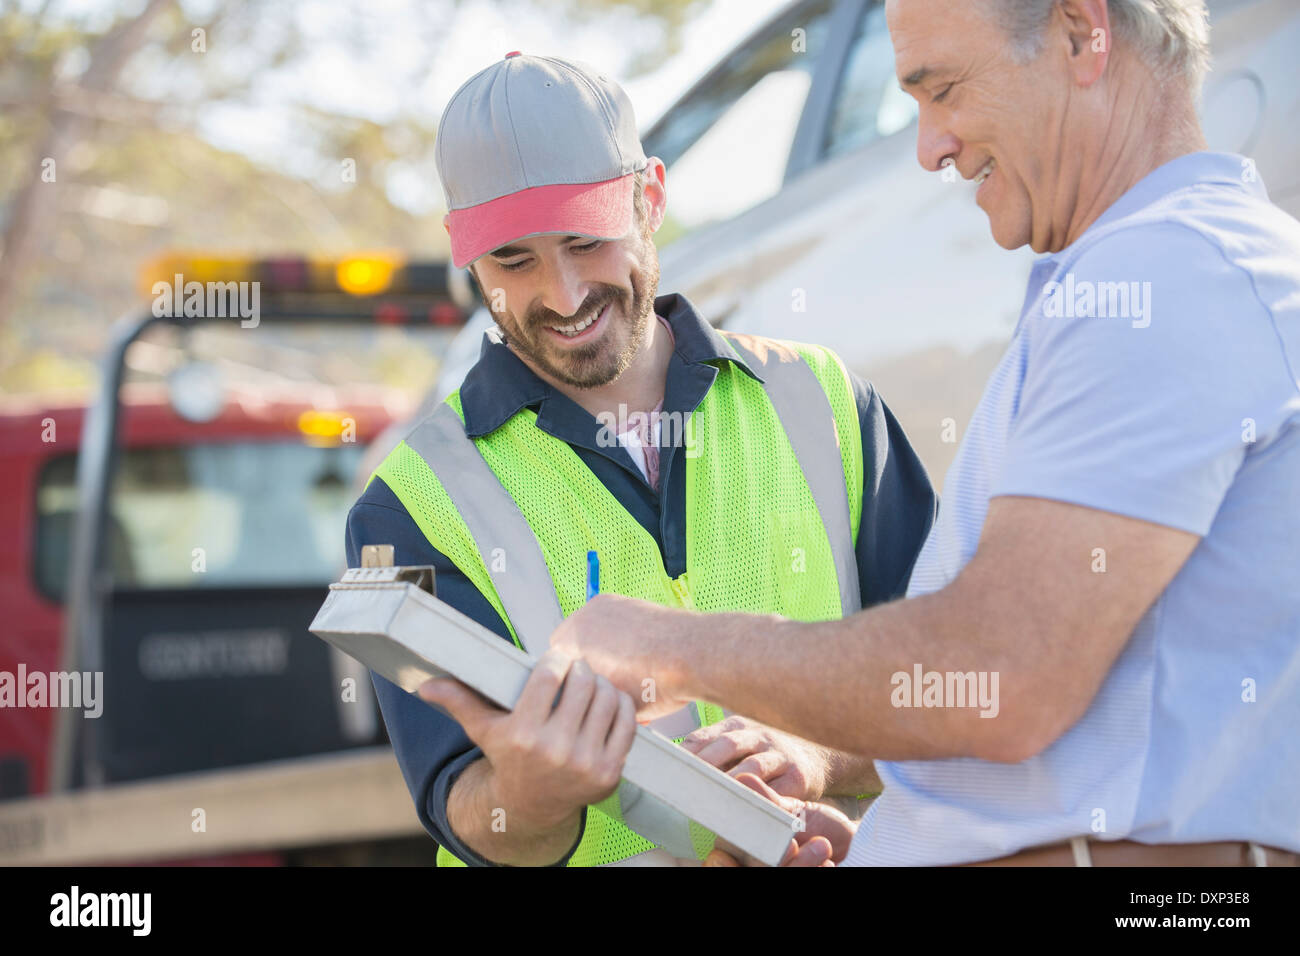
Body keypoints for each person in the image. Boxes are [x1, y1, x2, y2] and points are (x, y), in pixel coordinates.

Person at [551, 0, 1300, 867]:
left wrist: (671, 647)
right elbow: (1096, 690)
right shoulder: (1182, 270)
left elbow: (1004, 673)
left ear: (1080, 34)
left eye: (942, 90)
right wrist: (877, 828)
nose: (930, 148)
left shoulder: (1169, 273)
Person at [345, 51, 938, 866]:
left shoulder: (828, 403)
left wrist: (817, 753)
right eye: (514, 260)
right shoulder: (403, 506)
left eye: (586, 241)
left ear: (649, 198)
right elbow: (466, 809)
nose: (563, 295)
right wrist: (531, 791)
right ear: (467, 257)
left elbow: (950, 687)